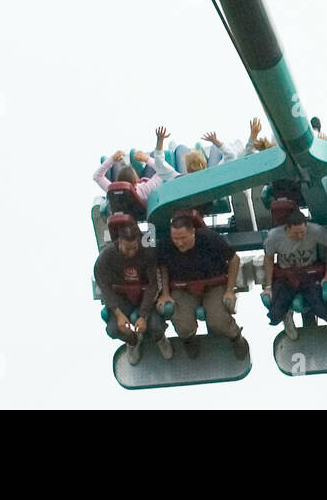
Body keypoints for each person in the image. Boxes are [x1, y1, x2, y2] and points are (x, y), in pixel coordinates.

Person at [156, 214, 248, 359]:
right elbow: (163, 267)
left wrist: (230, 290)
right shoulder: (165, 244)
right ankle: (189, 339)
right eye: (176, 239)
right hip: (183, 289)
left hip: (213, 285)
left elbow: (234, 259)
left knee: (218, 320)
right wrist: (165, 293)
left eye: (183, 238)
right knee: (182, 323)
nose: (179, 243)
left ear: (193, 232)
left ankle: (236, 337)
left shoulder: (210, 238)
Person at [94, 219, 171, 364]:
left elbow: (153, 284)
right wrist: (118, 313)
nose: (131, 252)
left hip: (145, 297)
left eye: (134, 248)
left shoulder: (148, 252)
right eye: (127, 248)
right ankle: (133, 341)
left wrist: (143, 314)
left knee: (155, 325)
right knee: (113, 329)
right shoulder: (106, 256)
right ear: (119, 242)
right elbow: (104, 286)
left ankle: (160, 338)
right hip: (122, 298)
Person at [261, 208, 327, 339]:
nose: (300, 236)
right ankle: (286, 317)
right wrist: (268, 286)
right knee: (275, 313)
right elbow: (268, 259)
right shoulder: (274, 237)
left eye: (302, 232)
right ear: (288, 228)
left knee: (319, 305)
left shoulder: (315, 231)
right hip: (287, 275)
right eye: (295, 233)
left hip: (309, 273)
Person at [93, 149, 160, 204]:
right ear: (136, 180)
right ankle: (140, 170)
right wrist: (146, 159)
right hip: (146, 179)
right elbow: (162, 171)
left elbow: (97, 176)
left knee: (116, 162)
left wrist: (112, 160)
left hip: (121, 194)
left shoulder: (114, 190)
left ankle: (110, 169)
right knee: (154, 154)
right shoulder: (144, 189)